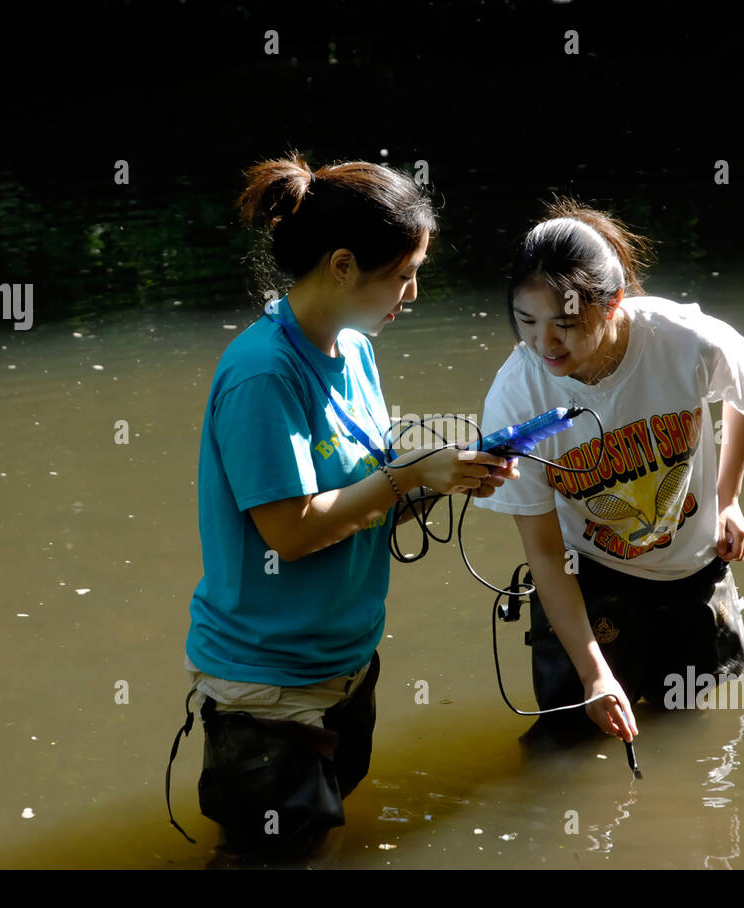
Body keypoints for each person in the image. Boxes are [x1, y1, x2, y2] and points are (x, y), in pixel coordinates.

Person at [166, 152, 516, 862]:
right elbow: (292, 534)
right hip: (269, 686)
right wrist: (411, 475)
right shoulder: (262, 374)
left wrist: (439, 479)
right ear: (344, 265)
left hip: (345, 664)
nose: (412, 293)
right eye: (403, 273)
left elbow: (363, 502)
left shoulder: (354, 348)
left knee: (318, 841)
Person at [473, 198, 744, 749]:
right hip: (591, 572)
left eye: (565, 323)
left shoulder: (686, 342)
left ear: (611, 306)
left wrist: (728, 498)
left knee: (685, 724)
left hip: (691, 567)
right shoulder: (517, 398)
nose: (544, 344)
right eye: (527, 322)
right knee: (570, 743)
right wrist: (593, 673)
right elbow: (543, 552)